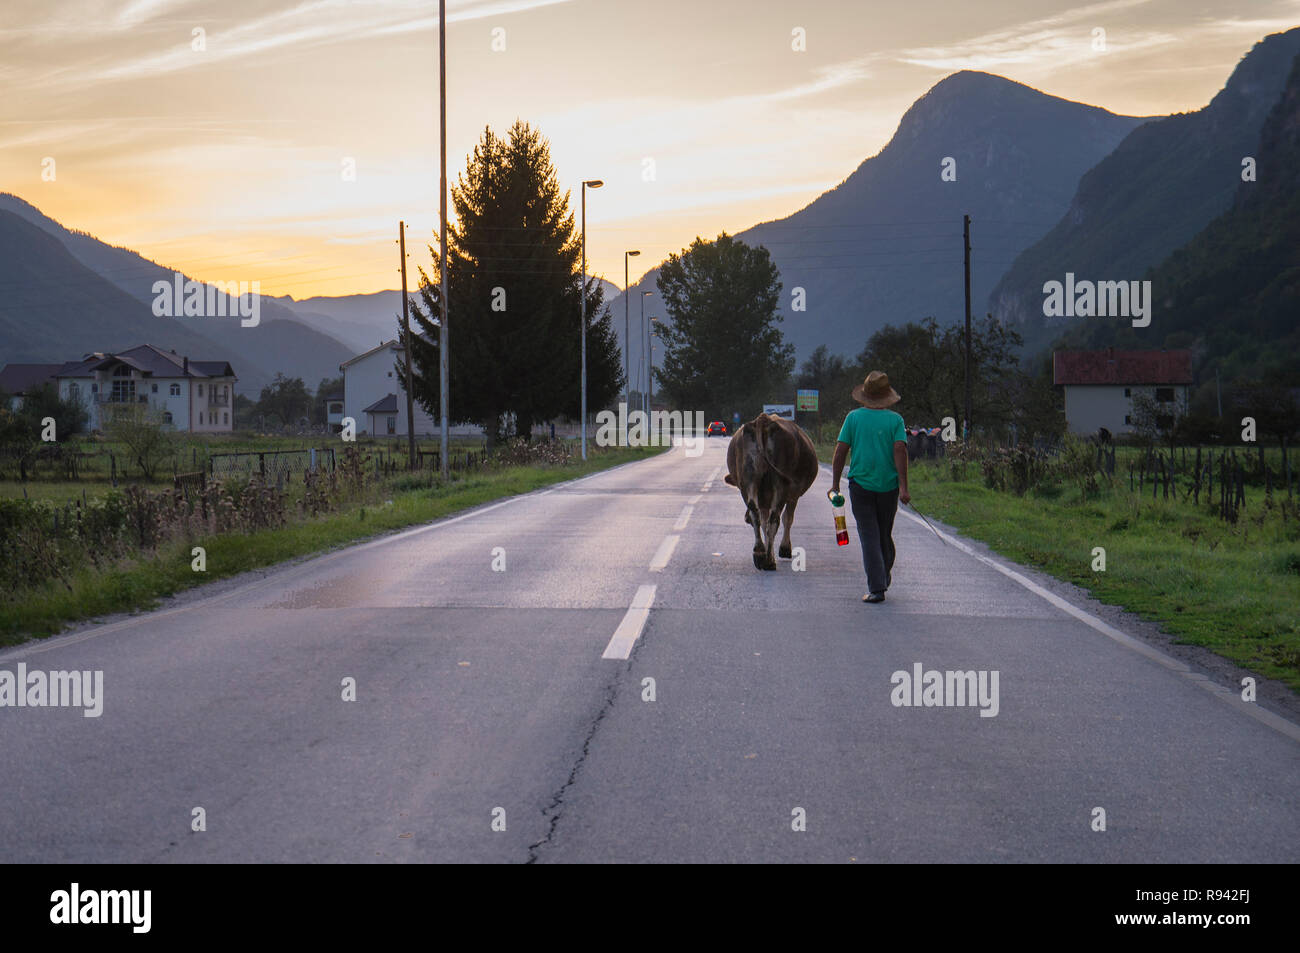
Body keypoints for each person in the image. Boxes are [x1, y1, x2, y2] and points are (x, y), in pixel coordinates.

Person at [830, 371, 910, 604]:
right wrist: (904, 487)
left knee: (870, 536)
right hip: (889, 487)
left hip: (860, 487)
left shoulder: (853, 418)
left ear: (866, 394)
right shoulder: (895, 420)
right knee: (883, 533)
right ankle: (881, 576)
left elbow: (840, 451)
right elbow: (900, 450)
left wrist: (835, 486)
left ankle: (877, 587)